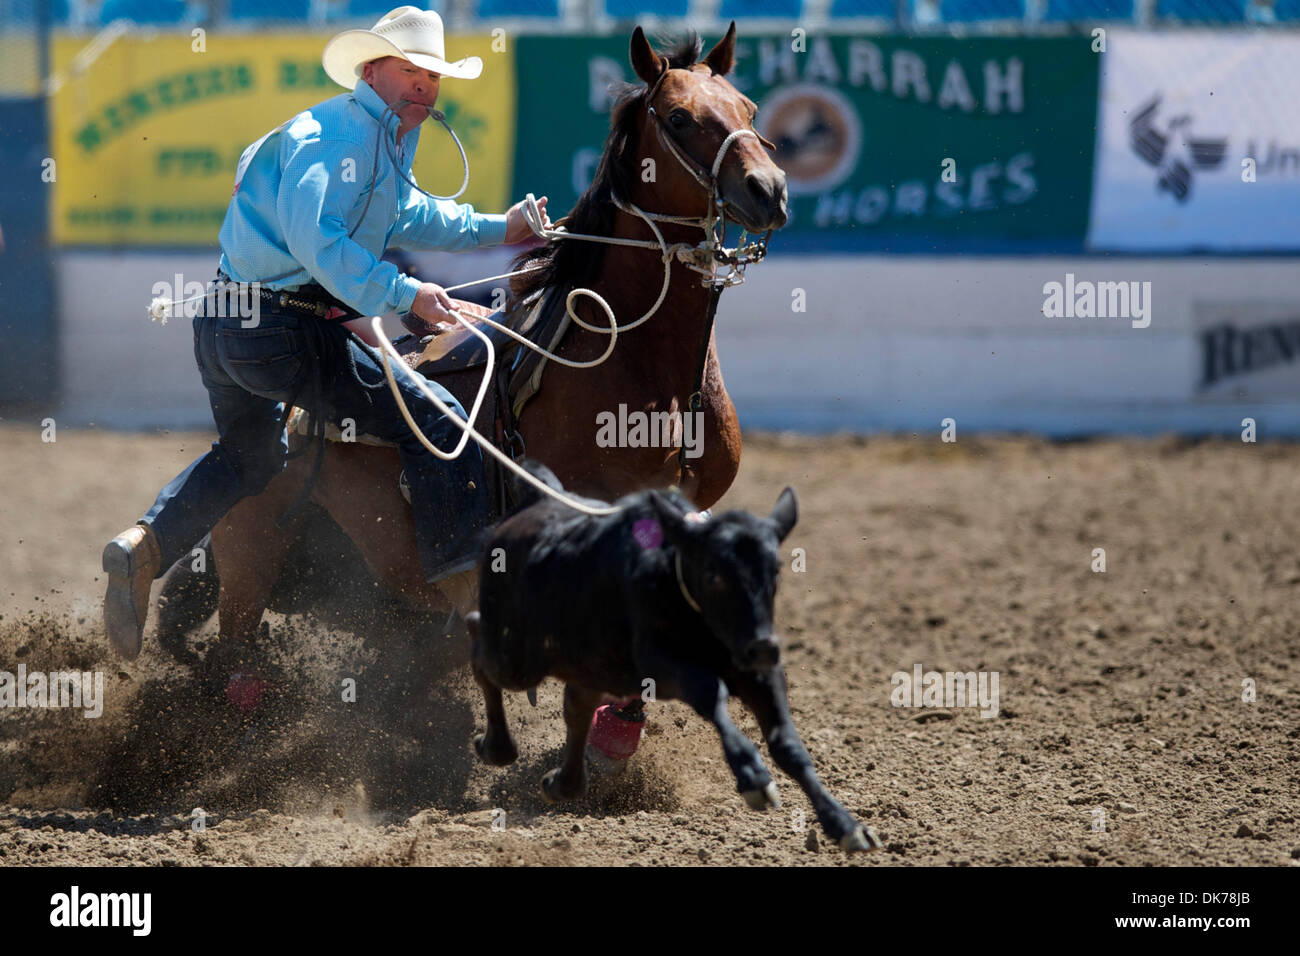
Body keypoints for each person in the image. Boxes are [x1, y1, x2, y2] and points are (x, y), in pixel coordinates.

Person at [102, 6, 551, 660]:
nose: (425, 87)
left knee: (254, 455)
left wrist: (499, 227)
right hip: (285, 330)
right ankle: (466, 593)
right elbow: (320, 240)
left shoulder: (367, 136)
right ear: (373, 71)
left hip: (232, 326)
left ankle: (146, 547)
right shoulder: (343, 137)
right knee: (439, 416)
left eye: (434, 77)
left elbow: (414, 213)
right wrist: (406, 294)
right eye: (412, 72)